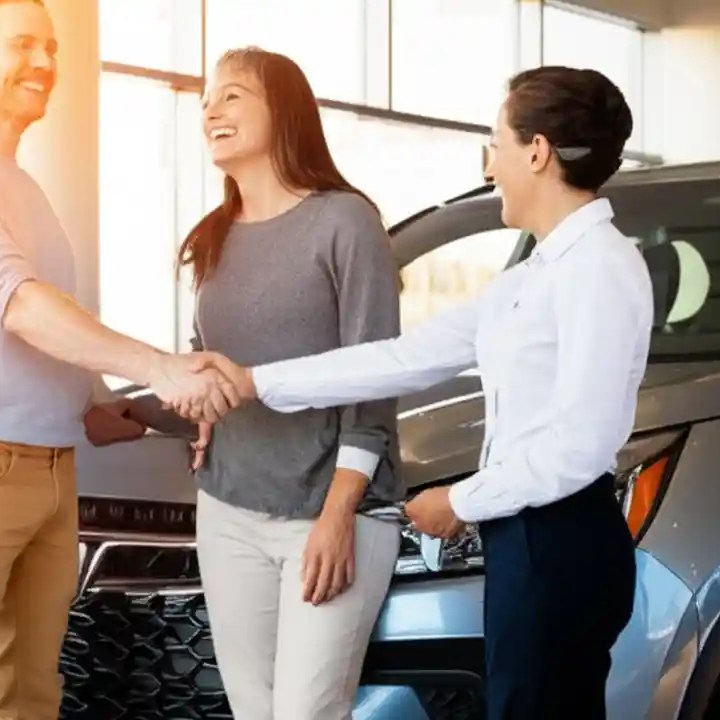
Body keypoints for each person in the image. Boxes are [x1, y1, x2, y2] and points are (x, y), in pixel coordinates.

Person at [184, 66, 650, 720]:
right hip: (528, 537)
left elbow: (578, 445)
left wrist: (460, 501)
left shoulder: (600, 267)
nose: (489, 168)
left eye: (496, 146)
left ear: (537, 152)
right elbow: (403, 359)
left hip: (561, 536)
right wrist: (253, 381)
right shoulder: (533, 277)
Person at [0, 1, 238, 718]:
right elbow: (16, 302)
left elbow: (56, 351)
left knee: (32, 692)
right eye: (23, 45)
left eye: (51, 48)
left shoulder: (23, 185)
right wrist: (160, 364)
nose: (44, 63)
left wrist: (136, 402)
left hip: (49, 467)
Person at [179, 47, 403, 720]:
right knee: (254, 711)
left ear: (284, 110)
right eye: (207, 101)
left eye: (232, 95)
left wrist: (338, 516)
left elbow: (374, 379)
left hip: (332, 511)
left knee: (308, 713)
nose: (212, 110)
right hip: (228, 510)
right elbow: (208, 361)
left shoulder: (345, 221)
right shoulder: (213, 236)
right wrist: (165, 410)